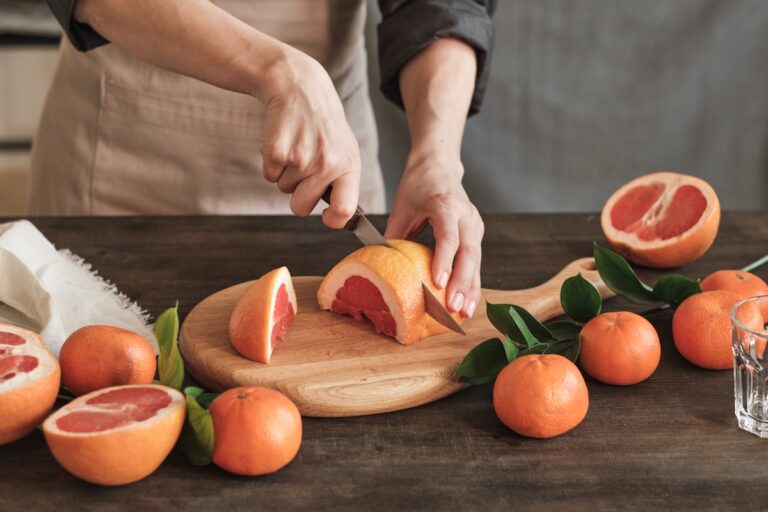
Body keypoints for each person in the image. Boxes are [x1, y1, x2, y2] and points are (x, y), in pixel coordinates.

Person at [34, 0, 495, 319]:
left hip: (333, 167)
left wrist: (435, 156)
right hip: (121, 172)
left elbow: (438, 5)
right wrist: (279, 71)